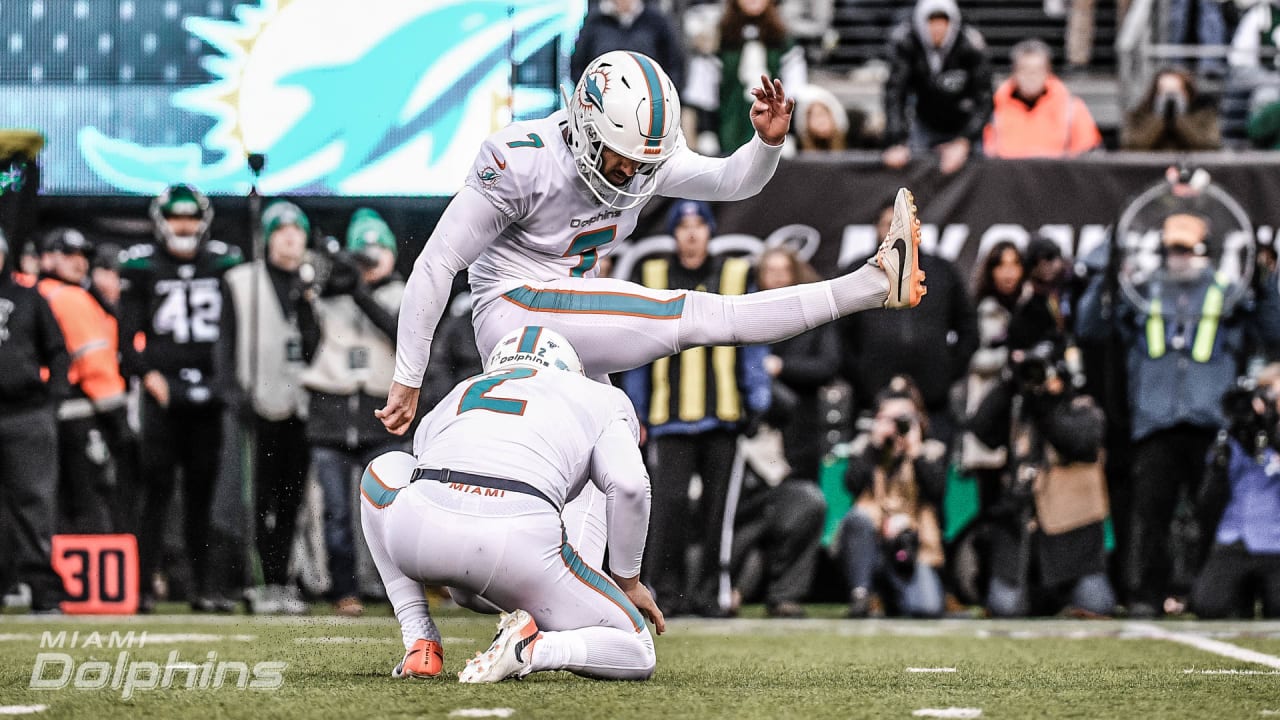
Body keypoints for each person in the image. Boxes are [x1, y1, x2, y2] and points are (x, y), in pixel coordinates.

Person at [377, 49, 925, 437]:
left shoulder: (646, 157)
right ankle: (872, 284)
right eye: (623, 158)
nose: (633, 173)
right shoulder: (520, 158)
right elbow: (435, 264)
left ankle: (557, 598)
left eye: (646, 162)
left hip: (568, 309)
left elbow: (733, 181)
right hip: (513, 305)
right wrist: (408, 376)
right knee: (695, 316)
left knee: (609, 448)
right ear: (586, 128)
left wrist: (766, 142)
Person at [360, 326, 663, 682]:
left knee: (383, 469)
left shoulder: (461, 391)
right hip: (519, 550)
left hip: (423, 540)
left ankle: (420, 637)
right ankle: (534, 648)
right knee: (639, 649)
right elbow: (629, 486)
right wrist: (628, 581)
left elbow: (421, 465)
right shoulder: (600, 397)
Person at [1077, 208, 1280, 617]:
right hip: (1156, 421)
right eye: (1172, 249)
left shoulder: (1228, 290)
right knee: (1150, 515)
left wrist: (1264, 281)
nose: (1179, 257)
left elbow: (1272, 330)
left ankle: (1207, 593)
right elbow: (1091, 328)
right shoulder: (1143, 290)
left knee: (1210, 514)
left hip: (1211, 422)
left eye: (1187, 249)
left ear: (1204, 252)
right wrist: (1104, 274)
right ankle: (1146, 596)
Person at [621, 200, 772, 617]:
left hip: (723, 415)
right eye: (683, 225)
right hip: (668, 419)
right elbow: (637, 346)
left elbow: (753, 335)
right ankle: (665, 594)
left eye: (698, 225)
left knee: (716, 513)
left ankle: (712, 594)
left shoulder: (736, 274)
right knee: (666, 510)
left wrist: (757, 396)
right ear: (673, 233)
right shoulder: (651, 276)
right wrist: (636, 410)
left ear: (709, 231)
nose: (691, 233)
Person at [118, 184, 242, 612]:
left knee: (202, 497)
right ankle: (142, 588)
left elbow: (237, 332)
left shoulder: (226, 264)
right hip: (162, 394)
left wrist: (225, 382)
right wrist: (150, 376)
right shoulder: (141, 266)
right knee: (155, 493)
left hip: (209, 395)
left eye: (190, 217)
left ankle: (203, 588)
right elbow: (124, 339)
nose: (184, 226)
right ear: (161, 221)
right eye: (176, 218)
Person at [300, 208, 405, 617]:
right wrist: (319, 287)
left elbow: (401, 334)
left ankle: (394, 589)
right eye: (361, 255)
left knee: (389, 512)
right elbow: (307, 340)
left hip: (380, 415)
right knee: (336, 512)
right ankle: (344, 589)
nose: (368, 263)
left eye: (377, 253)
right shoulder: (330, 297)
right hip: (332, 412)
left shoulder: (402, 293)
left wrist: (360, 291)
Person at [217, 200, 320, 615]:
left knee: (292, 499)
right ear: (267, 236)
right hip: (257, 404)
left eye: (298, 231)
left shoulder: (310, 282)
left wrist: (309, 300)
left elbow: (315, 344)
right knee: (258, 498)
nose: (290, 238)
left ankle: (283, 580)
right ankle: (259, 582)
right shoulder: (242, 280)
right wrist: (232, 392)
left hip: (302, 404)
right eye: (281, 230)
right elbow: (224, 343)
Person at [968, 347, 1116, 617]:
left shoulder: (1082, 409)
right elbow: (980, 427)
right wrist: (1009, 382)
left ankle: (1060, 599)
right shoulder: (1018, 411)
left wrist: (1046, 405)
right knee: (1005, 607)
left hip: (1073, 541)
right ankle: (1040, 601)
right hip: (1022, 537)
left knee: (1097, 605)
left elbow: (1079, 442)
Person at [733, 245, 832, 618]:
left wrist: (778, 369)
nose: (775, 275)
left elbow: (827, 365)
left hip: (791, 444)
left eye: (782, 268)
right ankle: (726, 589)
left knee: (805, 504)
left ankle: (786, 594)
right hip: (742, 444)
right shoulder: (741, 316)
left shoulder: (811, 317)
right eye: (768, 269)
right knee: (736, 520)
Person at [839, 200, 977, 450]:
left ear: (916, 230)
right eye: (887, 225)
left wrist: (947, 371)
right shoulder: (856, 273)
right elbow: (838, 335)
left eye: (901, 225)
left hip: (933, 403)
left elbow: (968, 327)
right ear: (875, 229)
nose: (894, 232)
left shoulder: (942, 271)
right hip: (870, 403)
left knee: (932, 478)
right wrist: (860, 376)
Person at [36, 228, 128, 534]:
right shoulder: (71, 297)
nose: (79, 263)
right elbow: (96, 363)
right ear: (47, 258)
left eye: (82, 256)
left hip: (37, 414)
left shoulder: (29, 293)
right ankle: (90, 578)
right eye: (68, 255)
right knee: (90, 498)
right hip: (78, 412)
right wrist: (119, 419)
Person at [0, 228, 69, 613]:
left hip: (26, 414)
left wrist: (52, 402)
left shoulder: (29, 297)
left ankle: (43, 592)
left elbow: (59, 352)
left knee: (34, 505)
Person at [839, 377, 947, 618]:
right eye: (889, 419)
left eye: (904, 419)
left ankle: (890, 596)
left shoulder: (931, 451)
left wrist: (915, 451)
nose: (897, 426)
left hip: (912, 545)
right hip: (874, 544)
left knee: (926, 608)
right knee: (858, 520)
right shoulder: (866, 448)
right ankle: (861, 595)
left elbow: (936, 492)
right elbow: (852, 485)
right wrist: (875, 446)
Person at [1192, 374, 1280, 618]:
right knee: (1209, 605)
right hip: (1236, 536)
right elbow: (1210, 496)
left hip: (1276, 539)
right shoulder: (1238, 437)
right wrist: (1236, 439)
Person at [882, 0, 993, 175]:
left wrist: (964, 141)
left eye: (943, 21)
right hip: (925, 122)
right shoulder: (907, 43)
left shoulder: (971, 45)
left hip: (964, 121)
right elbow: (895, 92)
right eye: (931, 21)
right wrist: (896, 140)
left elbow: (985, 98)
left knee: (977, 175)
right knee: (913, 172)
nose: (937, 28)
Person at [983, 39, 1102, 159]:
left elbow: (1089, 153)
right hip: (1005, 176)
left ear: (1048, 72)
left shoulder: (1072, 108)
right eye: (1025, 69)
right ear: (1014, 72)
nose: (1031, 76)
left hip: (1057, 176)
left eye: (1037, 70)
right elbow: (983, 153)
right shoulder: (993, 108)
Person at [571, 0, 687, 94]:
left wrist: (664, 96)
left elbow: (675, 64)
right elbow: (578, 66)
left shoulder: (656, 21)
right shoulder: (594, 22)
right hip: (603, 103)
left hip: (648, 103)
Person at [1120, 68, 1222, 151]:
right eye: (1164, 91)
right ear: (1155, 93)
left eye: (1176, 91)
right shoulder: (1137, 116)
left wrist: (1180, 119)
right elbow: (1133, 146)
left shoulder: (1204, 116)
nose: (1170, 98)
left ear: (1187, 93)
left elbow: (1209, 146)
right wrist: (1159, 118)